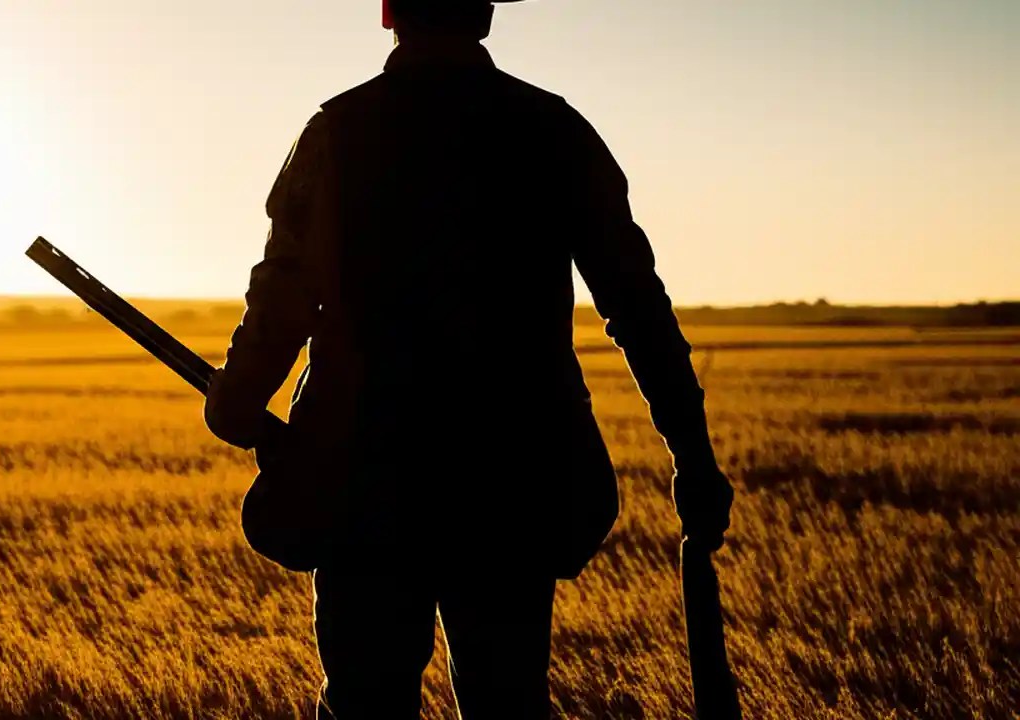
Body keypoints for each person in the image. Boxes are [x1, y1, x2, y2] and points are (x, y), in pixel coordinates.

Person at [204, 1, 734, 717]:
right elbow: (638, 307)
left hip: (364, 483)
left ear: (391, 15)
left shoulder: (336, 132)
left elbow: (282, 294)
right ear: (483, 13)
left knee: (365, 704)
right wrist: (692, 456)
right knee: (507, 701)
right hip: (513, 482)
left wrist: (238, 394)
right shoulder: (553, 131)